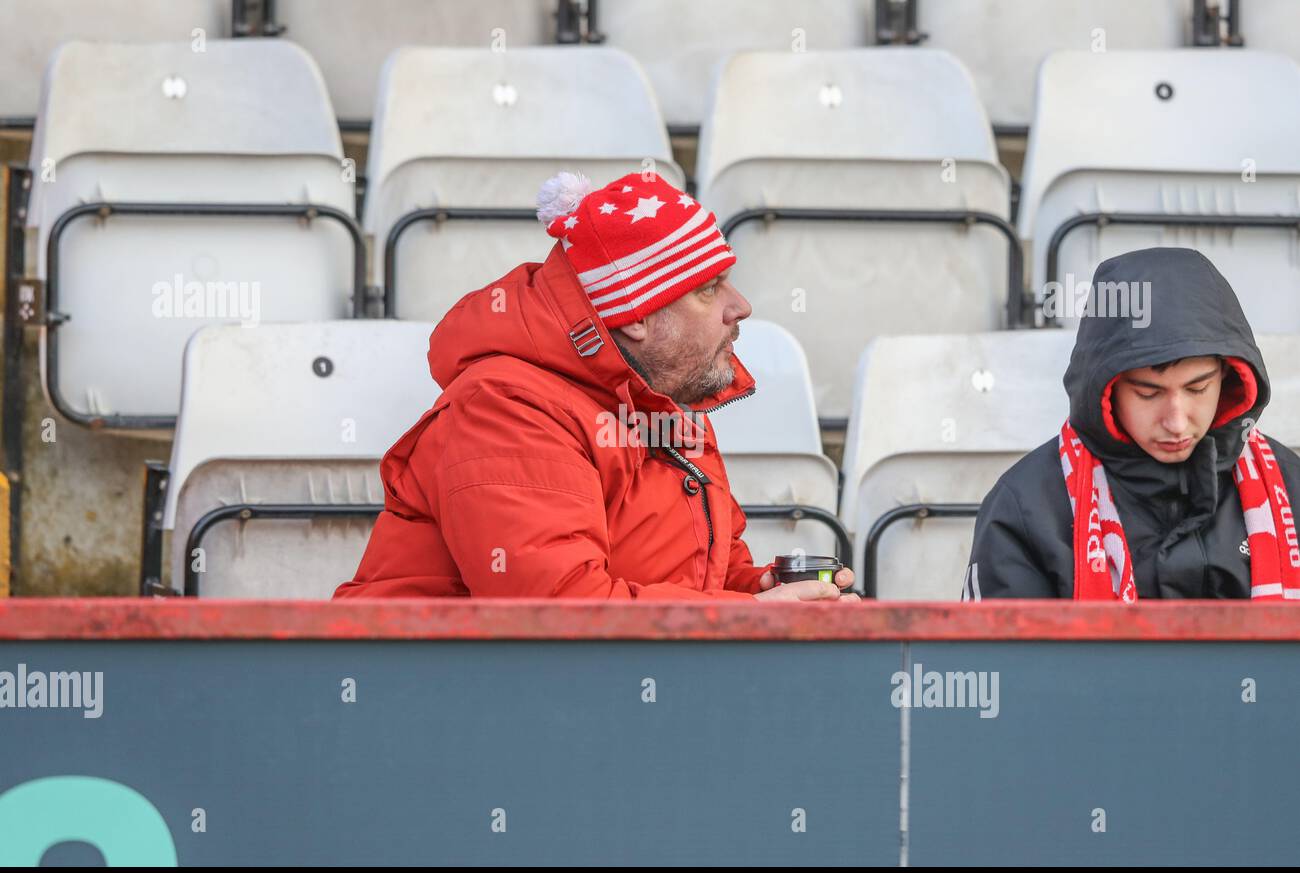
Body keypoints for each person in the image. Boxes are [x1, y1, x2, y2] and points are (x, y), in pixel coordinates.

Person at [336, 170, 857, 602]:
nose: (739, 306)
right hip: (434, 701)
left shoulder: (658, 406)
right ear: (635, 316)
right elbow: (560, 612)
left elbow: (698, 585)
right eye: (707, 288)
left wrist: (763, 593)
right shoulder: (505, 406)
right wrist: (751, 619)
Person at [963, 247, 1300, 601]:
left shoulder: (1292, 489)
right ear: (1106, 389)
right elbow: (999, 656)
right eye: (1148, 393)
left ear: (1229, 378)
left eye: (1198, 388)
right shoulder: (1027, 507)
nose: (1176, 420)